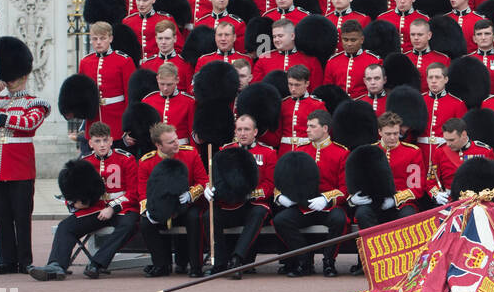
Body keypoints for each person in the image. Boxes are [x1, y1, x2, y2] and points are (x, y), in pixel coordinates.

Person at [0, 38, 50, 275]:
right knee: (3, 218)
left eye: (14, 77)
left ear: (24, 76)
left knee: (21, 218)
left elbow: (29, 123)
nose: (11, 81)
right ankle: (7, 259)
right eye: (9, 77)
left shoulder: (34, 102)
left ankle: (25, 260)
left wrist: (0, 118)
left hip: (21, 169)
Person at [32, 122, 140, 280]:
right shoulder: (85, 162)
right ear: (90, 143)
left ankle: (96, 263)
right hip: (94, 209)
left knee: (129, 224)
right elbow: (72, 191)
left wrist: (112, 207)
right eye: (97, 141)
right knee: (66, 226)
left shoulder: (126, 159)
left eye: (105, 140)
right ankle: (56, 266)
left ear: (111, 140)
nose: (102, 145)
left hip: (121, 209)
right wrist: (75, 203)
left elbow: (133, 193)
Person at [273, 110, 348, 277]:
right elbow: (281, 179)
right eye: (307, 126)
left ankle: (329, 261)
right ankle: (304, 259)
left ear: (325, 128)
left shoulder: (341, 152)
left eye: (312, 126)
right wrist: (281, 195)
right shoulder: (300, 151)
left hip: (327, 206)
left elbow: (345, 188)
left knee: (339, 220)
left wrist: (325, 198)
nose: (307, 130)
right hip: (302, 205)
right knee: (280, 220)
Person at [205, 114, 276, 277]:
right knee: (208, 215)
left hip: (252, 203)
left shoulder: (267, 153)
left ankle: (237, 260)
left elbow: (269, 185)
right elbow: (216, 178)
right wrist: (210, 188)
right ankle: (220, 263)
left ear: (255, 132)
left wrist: (247, 194)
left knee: (259, 212)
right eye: (239, 129)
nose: (243, 133)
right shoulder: (225, 151)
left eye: (247, 129)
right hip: (229, 204)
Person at [137, 122, 207, 277]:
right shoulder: (146, 162)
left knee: (195, 217)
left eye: (176, 139)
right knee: (146, 223)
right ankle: (161, 265)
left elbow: (203, 181)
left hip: (186, 205)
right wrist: (149, 210)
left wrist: (190, 194)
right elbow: (143, 193)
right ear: (158, 145)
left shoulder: (190, 154)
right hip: (160, 207)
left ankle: (196, 266)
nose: (177, 143)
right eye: (171, 142)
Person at [352, 113, 424, 230]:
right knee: (362, 213)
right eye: (388, 134)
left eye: (395, 133)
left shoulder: (413, 152)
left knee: (408, 215)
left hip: (402, 204)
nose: (392, 137)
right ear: (380, 132)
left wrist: (394, 200)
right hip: (374, 202)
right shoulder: (368, 152)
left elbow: (416, 188)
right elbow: (360, 181)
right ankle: (373, 248)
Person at [79, 21, 135, 141]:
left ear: (110, 38)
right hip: (93, 120)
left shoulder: (124, 61)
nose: (98, 42)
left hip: (117, 121)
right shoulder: (85, 62)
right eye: (95, 39)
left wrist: (129, 126)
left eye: (102, 38)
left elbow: (130, 95)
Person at [428, 117, 494, 205]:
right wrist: (436, 194)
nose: (448, 144)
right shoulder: (440, 151)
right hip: (450, 201)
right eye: (446, 140)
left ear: (463, 134)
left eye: (452, 140)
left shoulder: (484, 151)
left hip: (479, 202)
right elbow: (431, 180)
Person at [252, 18, 323, 88]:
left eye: (280, 36)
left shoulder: (311, 60)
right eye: (274, 36)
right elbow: (257, 88)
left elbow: (315, 90)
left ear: (292, 36)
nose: (276, 40)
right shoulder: (264, 59)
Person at [323, 20, 381, 99]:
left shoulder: (374, 60)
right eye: (345, 40)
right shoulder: (332, 62)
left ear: (362, 40)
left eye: (353, 40)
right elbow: (328, 90)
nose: (349, 44)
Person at [276, 64, 324, 155]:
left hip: (308, 151)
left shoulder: (317, 105)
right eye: (290, 84)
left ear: (307, 84)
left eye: (297, 85)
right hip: (285, 151)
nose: (293, 89)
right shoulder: (283, 104)